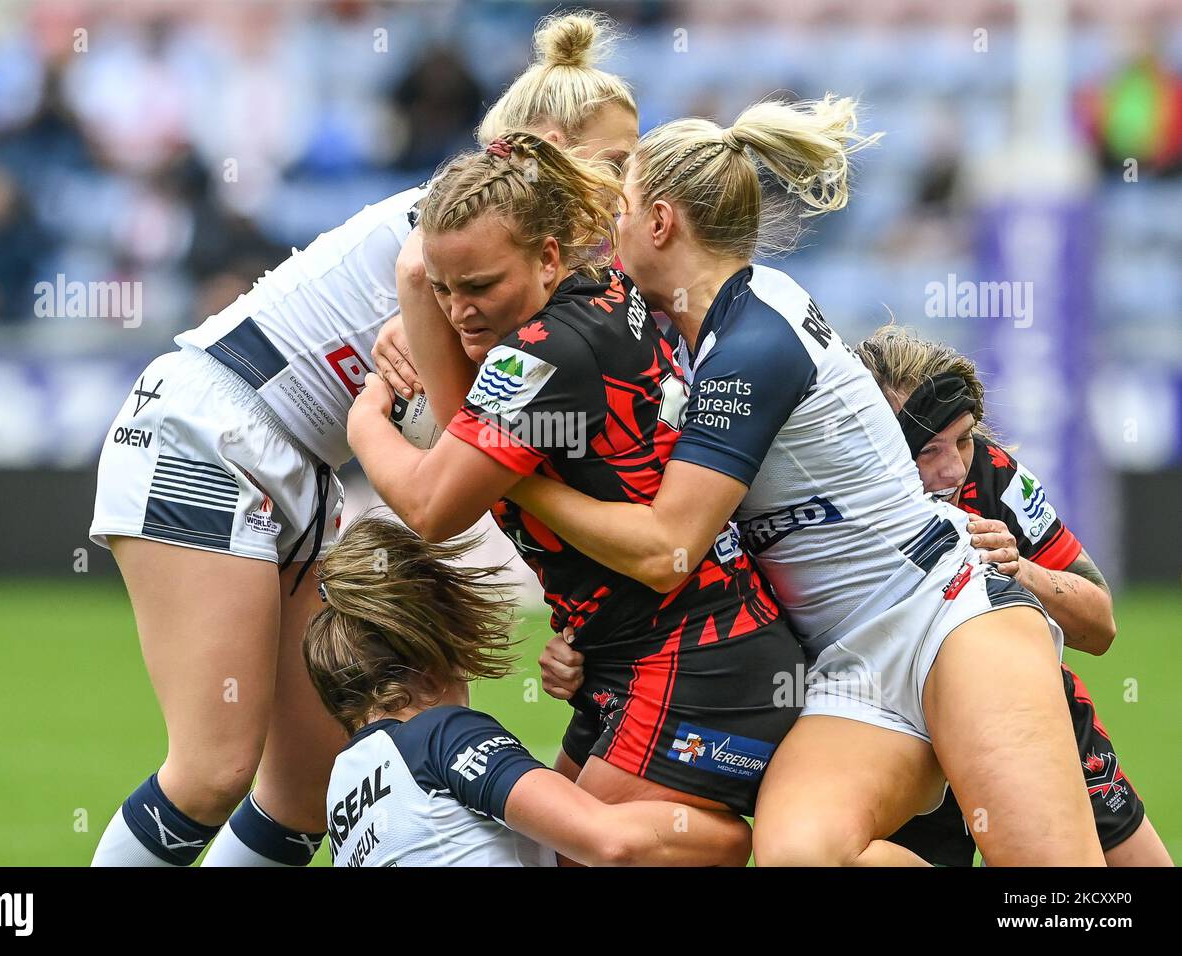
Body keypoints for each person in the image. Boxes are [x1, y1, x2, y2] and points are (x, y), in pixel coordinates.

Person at [86, 11, 640, 867]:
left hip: (294, 462)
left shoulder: (495, 245)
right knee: (212, 769)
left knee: (304, 792)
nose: (628, 185)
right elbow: (456, 442)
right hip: (211, 429)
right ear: (541, 149)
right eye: (613, 163)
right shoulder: (459, 240)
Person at [504, 97, 1104, 865]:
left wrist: (512, 475)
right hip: (848, 666)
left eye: (619, 209)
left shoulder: (754, 341)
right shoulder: (689, 332)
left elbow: (666, 549)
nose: (606, 233)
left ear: (659, 224)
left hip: (945, 614)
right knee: (801, 857)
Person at [346, 130, 804, 849]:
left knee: (598, 852)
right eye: (444, 290)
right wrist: (420, 284)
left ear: (548, 256)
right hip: (632, 651)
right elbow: (463, 406)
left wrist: (365, 421)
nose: (460, 311)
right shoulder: (596, 284)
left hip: (694, 658)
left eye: (480, 287)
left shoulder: (545, 353)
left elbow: (434, 506)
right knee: (558, 851)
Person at [854, 324, 1172, 867]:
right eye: (929, 449)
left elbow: (1100, 626)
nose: (953, 467)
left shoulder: (994, 474)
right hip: (900, 728)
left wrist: (1020, 570)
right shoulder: (835, 501)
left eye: (963, 437)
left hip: (1031, 710)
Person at [307, 515, 756, 867]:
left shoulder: (342, 792)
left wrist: (589, 710)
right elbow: (609, 842)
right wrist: (733, 837)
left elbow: (543, 831)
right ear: (430, 664)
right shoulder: (440, 733)